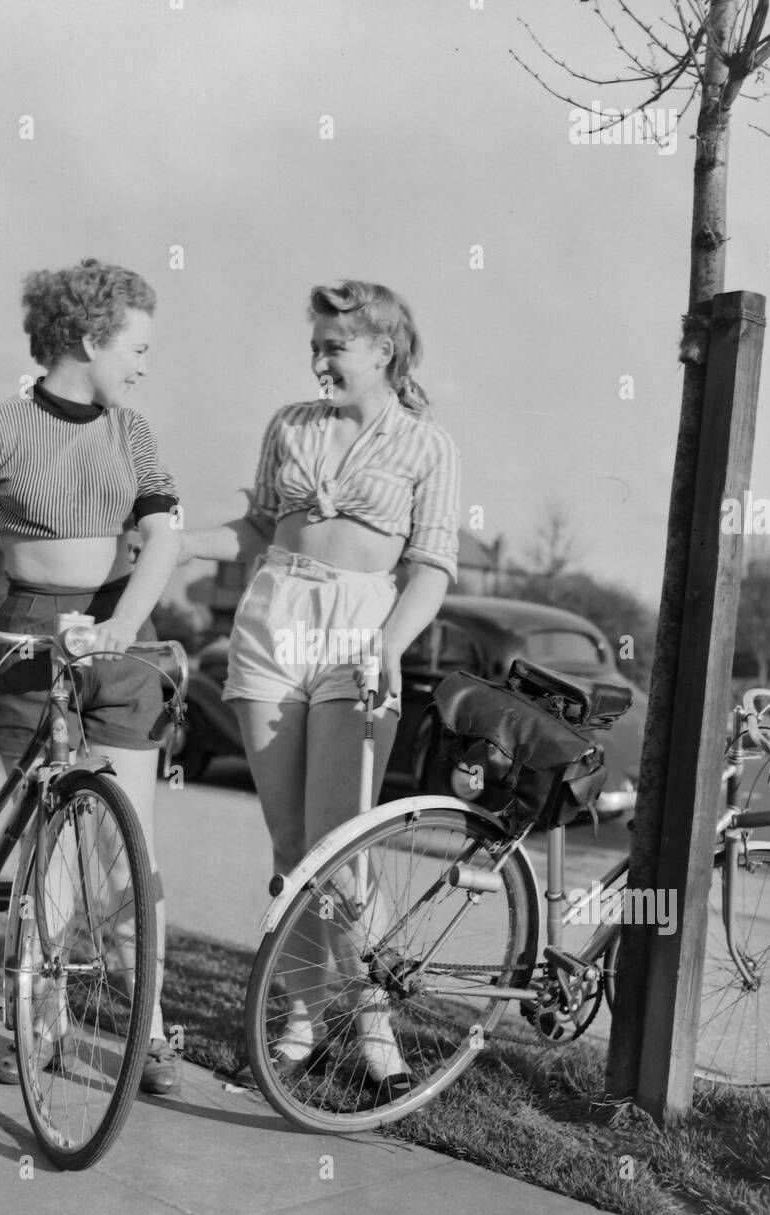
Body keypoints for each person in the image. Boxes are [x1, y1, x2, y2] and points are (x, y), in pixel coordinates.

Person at [178, 279, 459, 1095]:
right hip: (274, 616)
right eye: (316, 343)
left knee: (345, 850)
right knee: (291, 844)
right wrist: (171, 543)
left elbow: (432, 568)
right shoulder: (289, 426)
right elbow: (259, 528)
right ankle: (304, 1017)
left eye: (335, 344)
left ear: (384, 350)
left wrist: (388, 645)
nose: (319, 358)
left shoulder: (427, 445)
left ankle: (371, 1030)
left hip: (360, 632)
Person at [0, 257, 182, 1095]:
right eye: (136, 347)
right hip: (30, 634)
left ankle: (147, 1028)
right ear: (86, 338)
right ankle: (37, 1021)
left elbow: (166, 539)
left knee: (125, 852)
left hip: (119, 635)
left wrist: (121, 625)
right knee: (51, 853)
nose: (145, 364)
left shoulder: (132, 432)